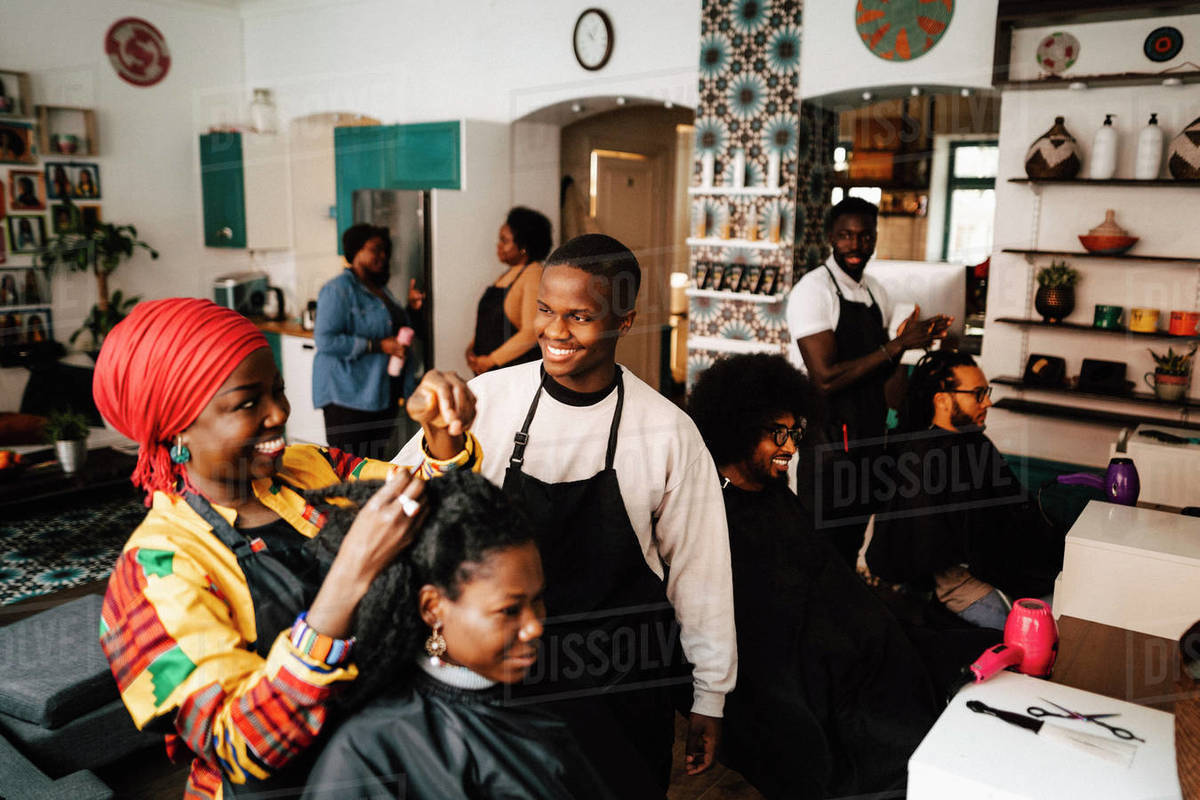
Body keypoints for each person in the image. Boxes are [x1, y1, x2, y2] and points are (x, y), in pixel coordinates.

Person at [395, 234, 736, 797]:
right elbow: (399, 497)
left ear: (624, 322)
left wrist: (710, 694)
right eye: (546, 310)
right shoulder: (488, 400)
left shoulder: (668, 432)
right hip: (501, 676)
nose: (555, 331)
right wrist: (436, 442)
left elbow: (701, 575)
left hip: (618, 688)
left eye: (579, 316)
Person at [93, 298, 430, 800]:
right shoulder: (153, 571)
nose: (280, 413)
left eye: (278, 390)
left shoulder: (309, 468)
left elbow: (419, 496)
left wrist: (441, 440)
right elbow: (238, 744)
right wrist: (347, 580)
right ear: (179, 425)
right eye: (247, 403)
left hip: (390, 759)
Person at [689, 353, 940, 799]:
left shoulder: (775, 496)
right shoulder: (709, 511)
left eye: (795, 434)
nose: (790, 447)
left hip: (836, 645)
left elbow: (820, 577)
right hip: (778, 669)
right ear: (737, 428)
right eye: (777, 434)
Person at [301, 470, 615, 800]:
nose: (535, 626)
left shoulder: (564, 691)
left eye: (537, 600)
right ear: (433, 608)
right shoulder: (370, 753)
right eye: (509, 610)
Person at [786, 196, 951, 566]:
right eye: (846, 235)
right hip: (828, 444)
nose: (855, 245)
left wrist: (910, 346)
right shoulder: (813, 291)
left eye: (865, 236)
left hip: (870, 439)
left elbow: (881, 371)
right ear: (831, 236)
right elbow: (825, 378)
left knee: (852, 541)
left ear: (875, 238)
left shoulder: (877, 291)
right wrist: (897, 344)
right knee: (820, 549)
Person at [865, 350, 1065, 630]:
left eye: (987, 393)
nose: (988, 402)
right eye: (978, 394)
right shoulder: (923, 458)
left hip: (1004, 570)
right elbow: (929, 549)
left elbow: (1011, 513)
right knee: (1035, 630)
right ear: (942, 400)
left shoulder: (976, 444)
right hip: (963, 583)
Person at [314, 223, 426, 459]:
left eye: (385, 250)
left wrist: (411, 309)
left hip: (379, 392)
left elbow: (392, 331)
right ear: (356, 251)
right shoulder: (338, 290)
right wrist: (378, 346)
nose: (383, 256)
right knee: (348, 465)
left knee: (372, 463)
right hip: (347, 396)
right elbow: (325, 340)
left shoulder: (379, 290)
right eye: (375, 249)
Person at [466, 206, 551, 374]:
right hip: (490, 371)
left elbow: (531, 332)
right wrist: (472, 349)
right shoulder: (507, 275)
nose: (498, 246)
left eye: (504, 241)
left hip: (512, 372)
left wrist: (491, 360)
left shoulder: (533, 274)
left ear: (523, 246)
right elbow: (487, 325)